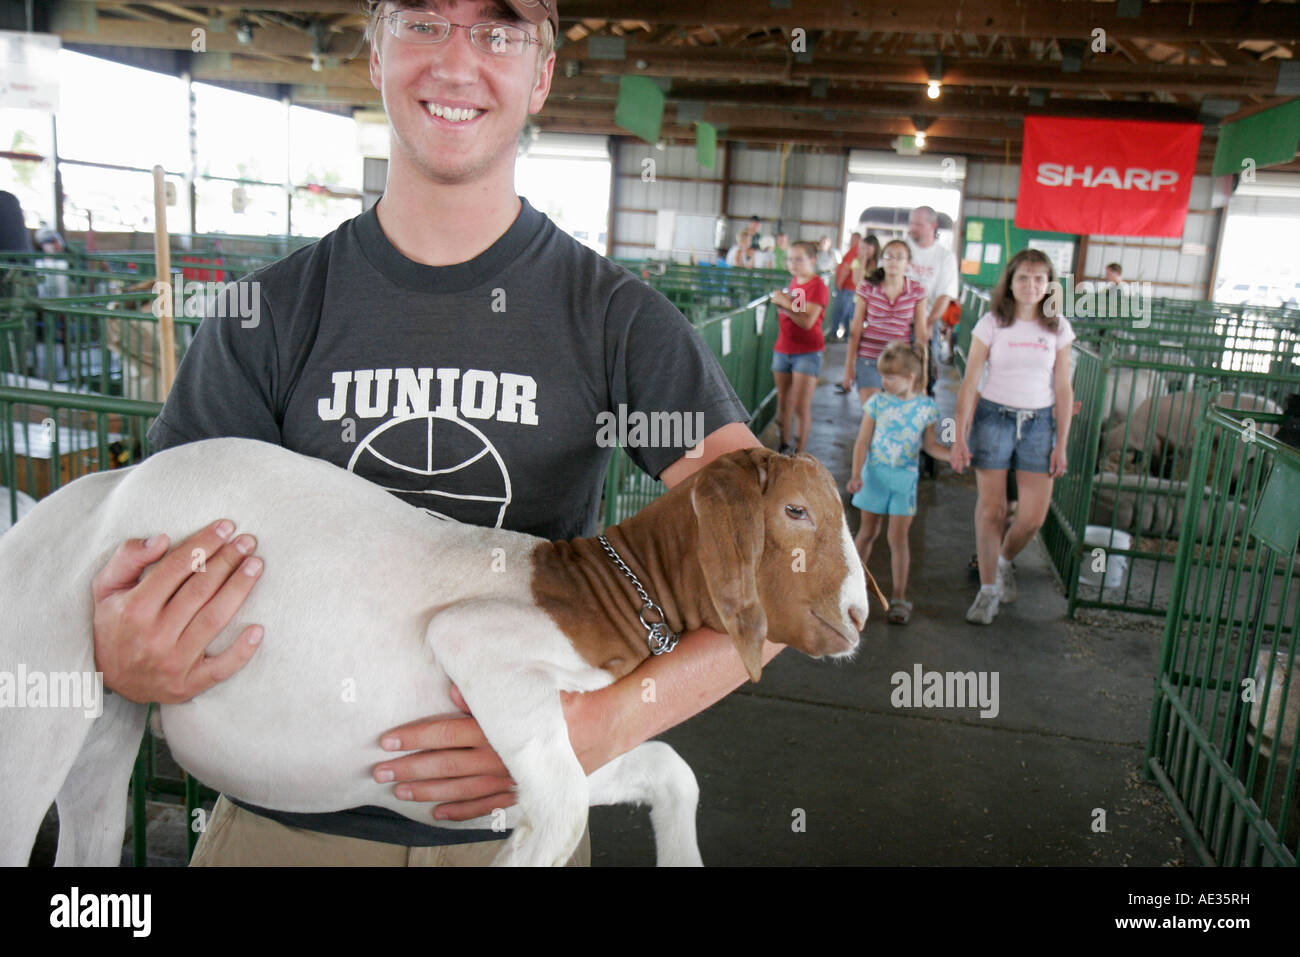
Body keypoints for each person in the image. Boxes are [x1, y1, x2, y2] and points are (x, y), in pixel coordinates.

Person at [90, 0, 775, 867]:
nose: (456, 64)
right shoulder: (267, 317)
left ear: (542, 74)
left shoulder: (616, 322)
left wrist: (599, 725)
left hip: (516, 829)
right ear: (375, 52)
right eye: (421, 22)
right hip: (284, 830)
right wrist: (121, 647)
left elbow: (784, 557)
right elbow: (144, 571)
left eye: (497, 31)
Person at [949, 249, 1075, 625]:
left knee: (1033, 518)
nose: (1030, 285)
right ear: (1010, 280)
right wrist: (960, 436)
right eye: (1023, 277)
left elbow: (1064, 388)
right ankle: (987, 591)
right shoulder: (991, 323)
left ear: (1050, 284)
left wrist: (1062, 442)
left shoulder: (1058, 328)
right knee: (993, 510)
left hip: (1039, 424)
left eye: (1039, 278)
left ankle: (1003, 560)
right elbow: (970, 382)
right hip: (994, 418)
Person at [846, 341, 950, 625]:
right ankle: (850, 591)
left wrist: (953, 455)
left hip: (905, 480)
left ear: (910, 378)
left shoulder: (927, 408)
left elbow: (930, 445)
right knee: (867, 531)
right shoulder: (877, 403)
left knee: (898, 538)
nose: (883, 381)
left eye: (890, 377)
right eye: (883, 376)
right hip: (874, 475)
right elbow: (863, 442)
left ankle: (899, 598)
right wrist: (856, 474)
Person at [840, 239, 927, 406]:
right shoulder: (867, 287)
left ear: (907, 263)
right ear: (882, 260)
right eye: (888, 256)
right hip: (868, 359)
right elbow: (855, 328)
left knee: (895, 417)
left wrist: (921, 374)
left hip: (901, 363)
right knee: (873, 415)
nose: (893, 261)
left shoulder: (917, 291)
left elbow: (921, 334)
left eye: (899, 257)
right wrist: (849, 367)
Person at [769, 240, 828, 455]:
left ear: (812, 260)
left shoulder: (817, 286)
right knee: (783, 400)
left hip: (807, 351)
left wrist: (783, 302)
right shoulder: (794, 283)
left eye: (799, 259)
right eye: (790, 259)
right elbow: (796, 313)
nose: (793, 263)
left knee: (801, 406)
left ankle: (799, 454)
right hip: (783, 348)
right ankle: (783, 445)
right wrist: (786, 303)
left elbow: (807, 321)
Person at [826, 231, 862, 341]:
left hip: (847, 287)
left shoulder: (854, 251)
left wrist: (839, 284)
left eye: (853, 239)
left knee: (839, 311)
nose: (851, 241)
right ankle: (847, 336)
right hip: (850, 288)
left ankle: (833, 335)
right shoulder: (856, 252)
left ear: (858, 240)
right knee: (848, 313)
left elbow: (846, 269)